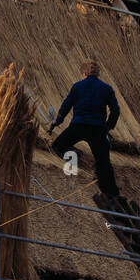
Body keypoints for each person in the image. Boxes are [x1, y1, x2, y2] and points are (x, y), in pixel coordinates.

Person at [49, 60, 121, 197]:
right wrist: (108, 127)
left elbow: (66, 106)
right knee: (103, 162)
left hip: (78, 126)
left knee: (59, 145)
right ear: (98, 73)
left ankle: (74, 154)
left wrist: (56, 122)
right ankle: (111, 193)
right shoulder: (106, 88)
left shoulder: (77, 86)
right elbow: (116, 111)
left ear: (84, 73)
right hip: (98, 129)